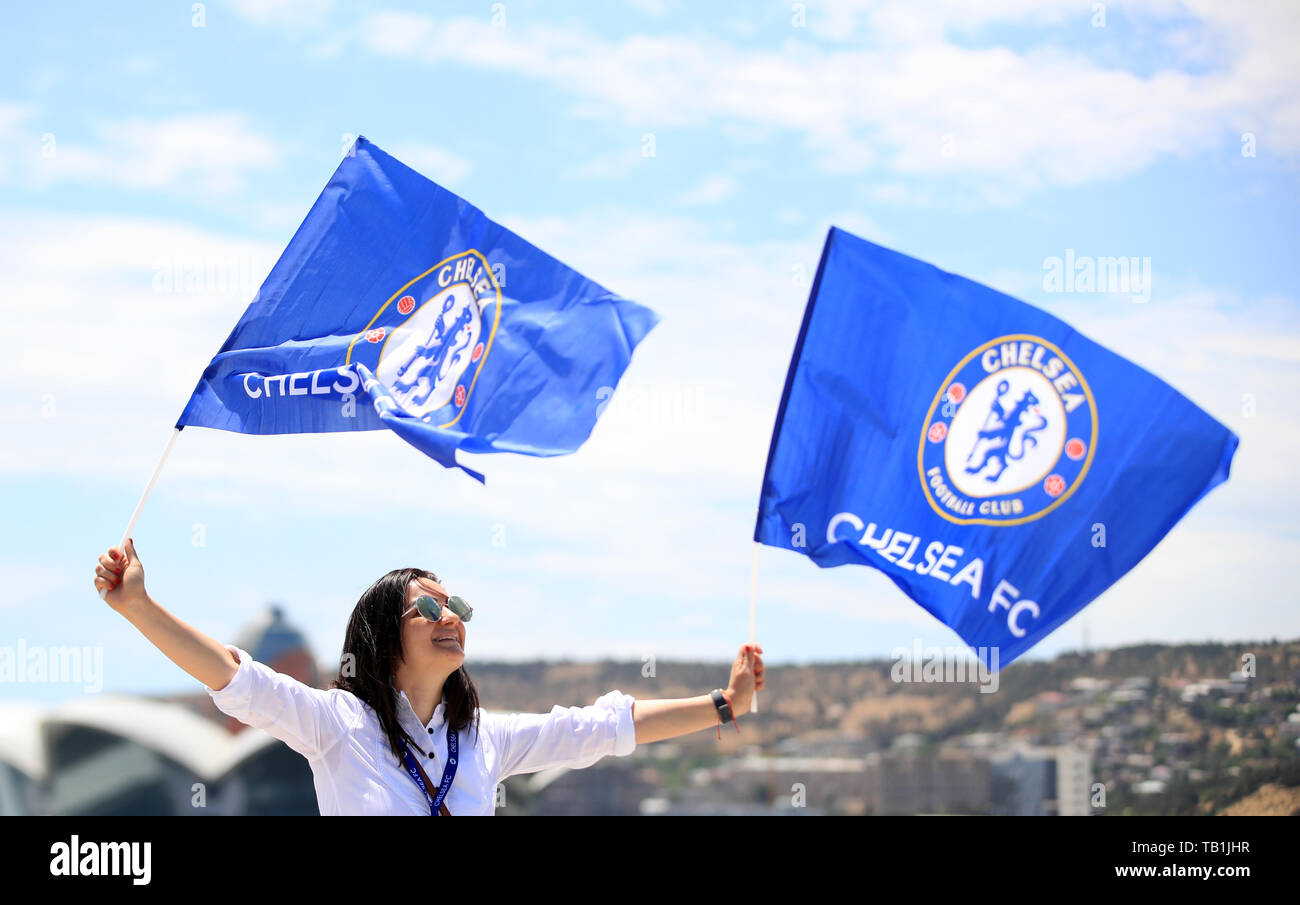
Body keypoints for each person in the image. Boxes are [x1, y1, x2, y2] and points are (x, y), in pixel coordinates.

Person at [93, 538, 765, 816]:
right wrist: (138, 606)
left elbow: (606, 727)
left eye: (458, 608)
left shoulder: (485, 740)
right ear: (387, 632)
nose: (452, 617)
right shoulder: (336, 725)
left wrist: (726, 704)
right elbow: (235, 676)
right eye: (430, 606)